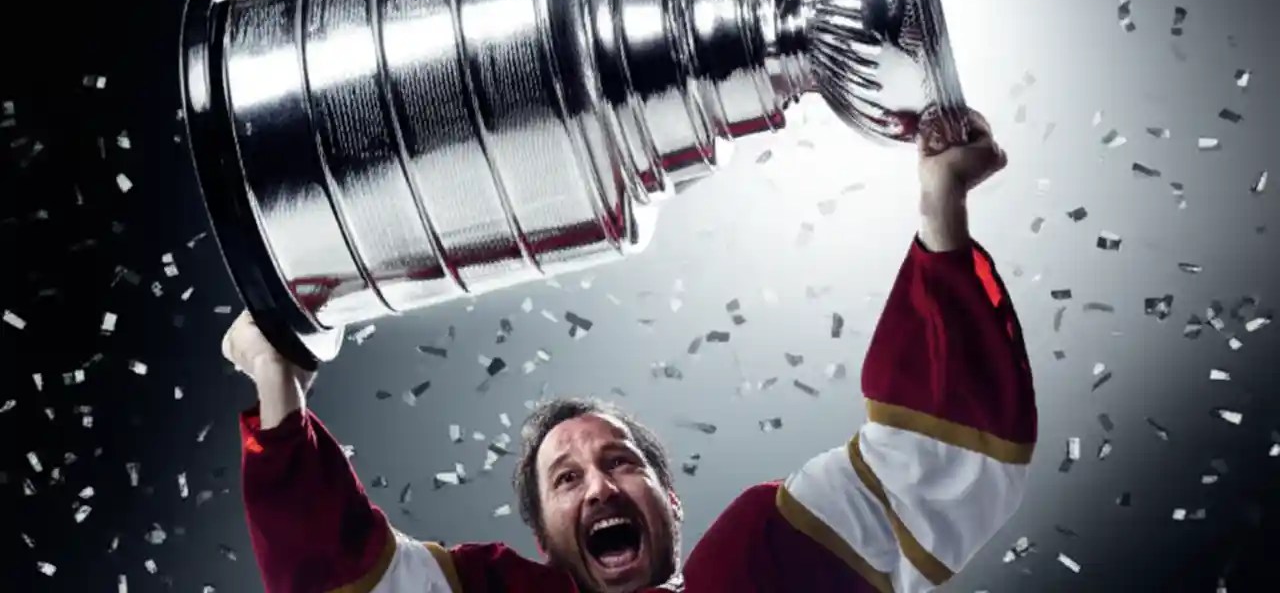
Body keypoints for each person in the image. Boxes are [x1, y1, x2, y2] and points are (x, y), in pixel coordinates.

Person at [223, 109, 1037, 593]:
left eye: (621, 463)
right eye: (567, 478)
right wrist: (276, 389)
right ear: (544, 539)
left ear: (670, 503)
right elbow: (352, 581)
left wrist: (940, 210)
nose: (600, 484)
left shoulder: (762, 566)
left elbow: (939, 460)